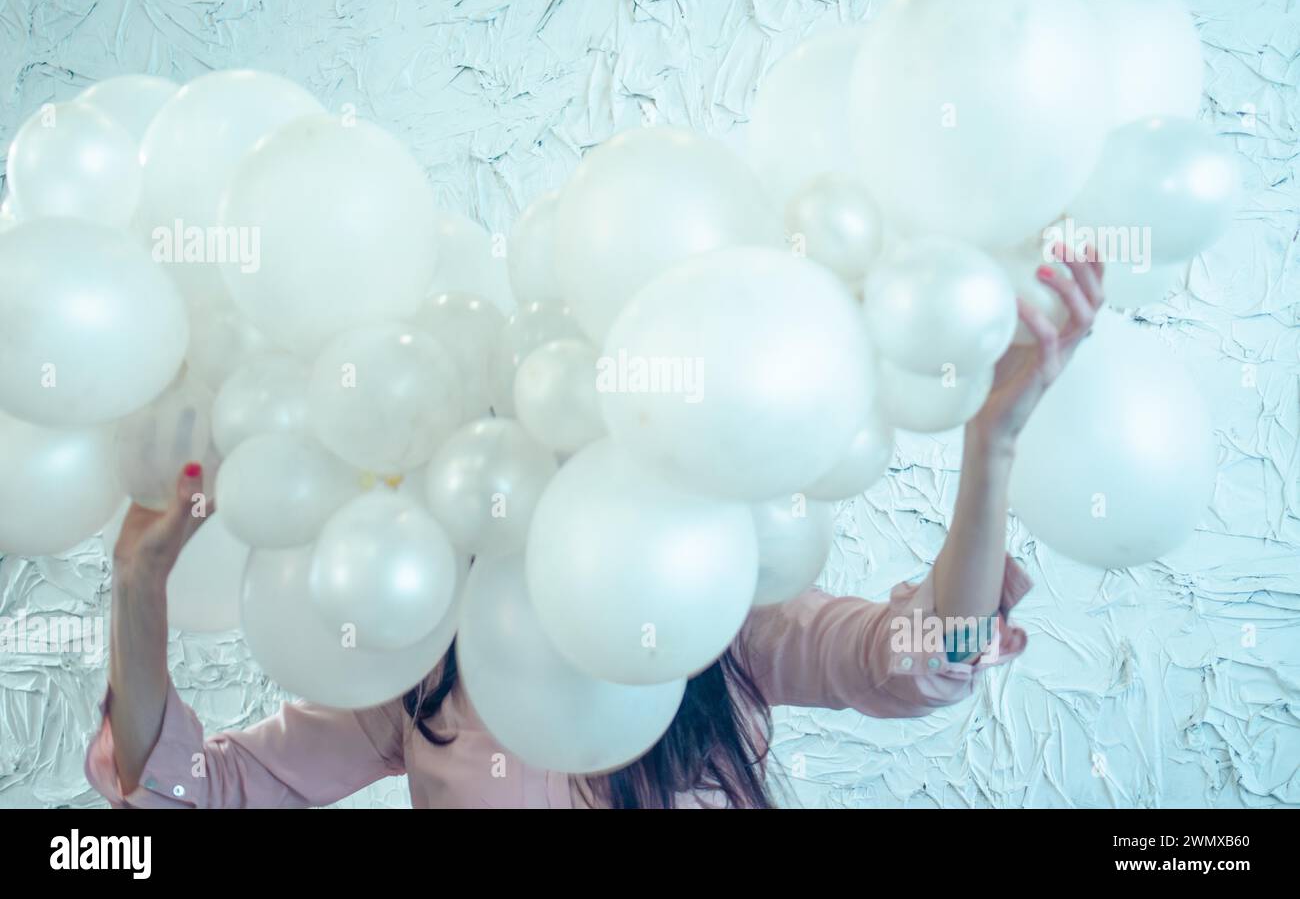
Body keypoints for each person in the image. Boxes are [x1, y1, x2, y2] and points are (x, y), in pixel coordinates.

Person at [86, 244, 1104, 809]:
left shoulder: (722, 629)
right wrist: (137, 589)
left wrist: (991, 445)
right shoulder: (421, 677)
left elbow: (924, 657)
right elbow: (192, 798)